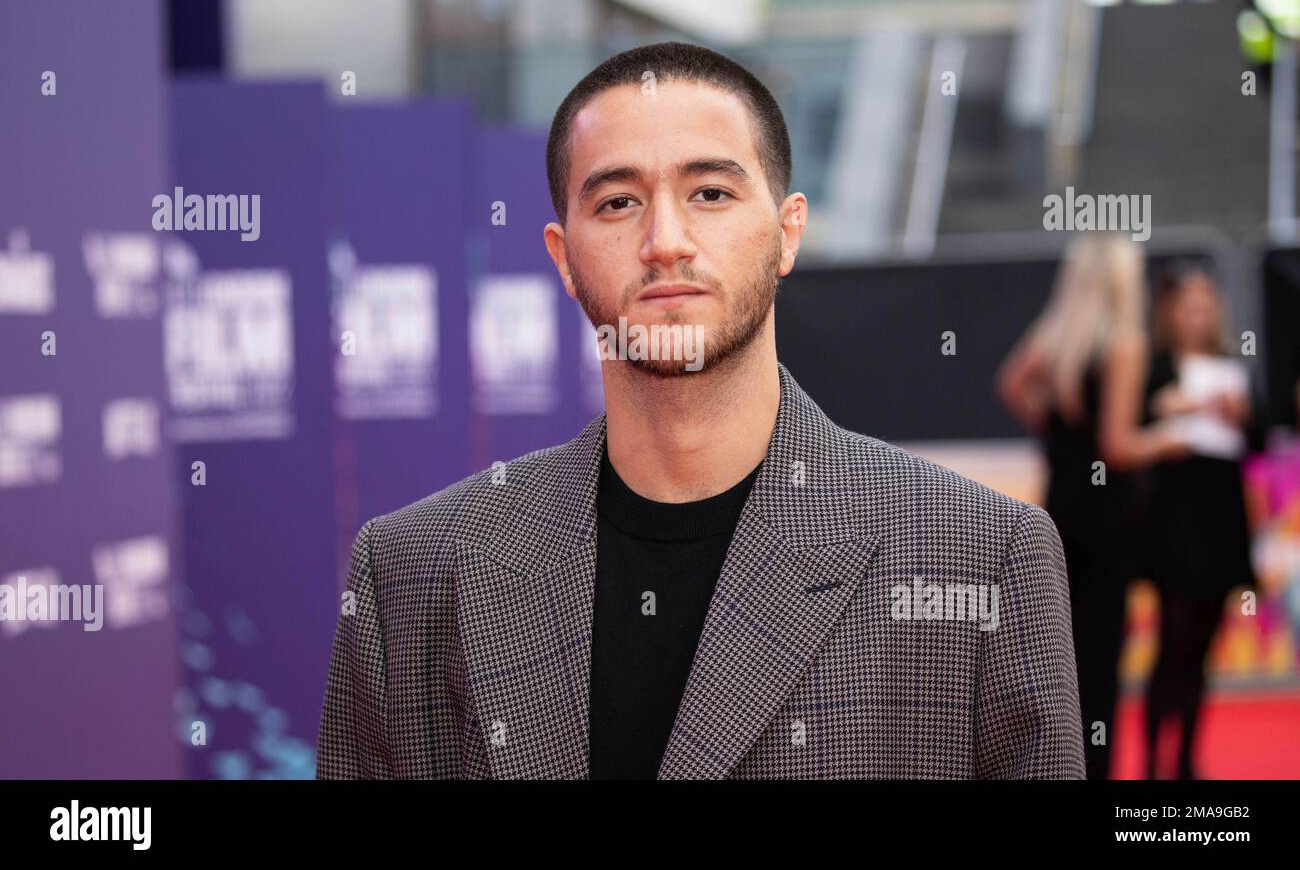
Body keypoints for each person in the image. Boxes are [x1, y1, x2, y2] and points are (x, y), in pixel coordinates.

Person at [317, 41, 1084, 779]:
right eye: (618, 202)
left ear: (787, 233)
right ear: (563, 258)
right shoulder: (412, 572)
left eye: (710, 193)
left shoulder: (980, 553)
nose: (665, 241)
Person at [998, 235, 1190, 779]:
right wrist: (1173, 436)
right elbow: (1119, 446)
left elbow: (1012, 385)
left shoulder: (1059, 334)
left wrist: (1060, 436)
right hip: (1108, 522)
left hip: (1061, 512)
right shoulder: (1125, 343)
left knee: (1061, 656)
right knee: (1100, 660)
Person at [1139, 263, 1260, 780]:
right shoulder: (1152, 365)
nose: (1198, 315)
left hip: (1221, 518)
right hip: (1174, 519)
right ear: (1168, 311)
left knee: (1204, 643)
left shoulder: (1231, 365)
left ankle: (1186, 759)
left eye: (1206, 304)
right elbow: (1125, 432)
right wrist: (1161, 411)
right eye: (1188, 305)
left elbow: (1259, 440)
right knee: (1173, 640)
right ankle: (1149, 760)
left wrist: (1243, 415)